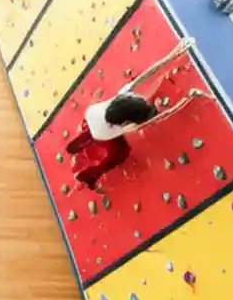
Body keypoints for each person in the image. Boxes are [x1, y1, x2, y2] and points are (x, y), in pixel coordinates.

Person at [64, 38, 199, 190]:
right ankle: (89, 176)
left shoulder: (119, 99)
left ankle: (74, 147)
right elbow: (162, 116)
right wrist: (188, 97)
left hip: (92, 120)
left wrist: (173, 54)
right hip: (100, 133)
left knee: (90, 134)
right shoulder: (128, 124)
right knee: (119, 154)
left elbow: (147, 74)